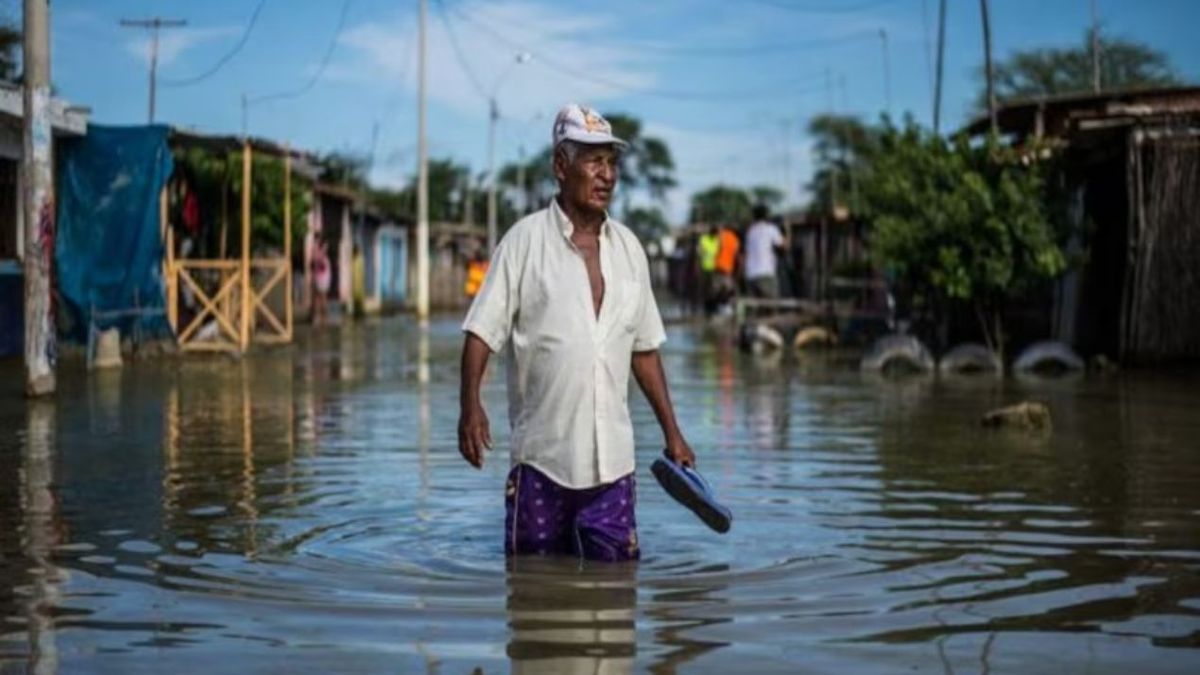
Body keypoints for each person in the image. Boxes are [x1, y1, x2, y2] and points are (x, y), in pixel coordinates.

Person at [458, 103, 696, 562]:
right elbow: (480, 333)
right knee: (532, 593)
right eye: (593, 161)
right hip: (542, 463)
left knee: (616, 597)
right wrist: (470, 406)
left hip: (614, 466)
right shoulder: (523, 243)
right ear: (561, 167)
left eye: (611, 162)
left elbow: (644, 351)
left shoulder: (629, 250)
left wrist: (674, 433)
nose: (606, 174)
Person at [743, 205, 785, 299]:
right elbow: (783, 246)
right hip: (766, 273)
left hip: (751, 275)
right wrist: (788, 229)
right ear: (766, 215)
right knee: (770, 307)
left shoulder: (750, 232)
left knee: (755, 309)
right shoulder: (771, 229)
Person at [697, 225, 721, 315]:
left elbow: (719, 253)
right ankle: (707, 308)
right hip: (705, 267)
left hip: (714, 268)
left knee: (713, 289)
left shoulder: (717, 240)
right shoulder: (704, 239)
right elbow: (699, 253)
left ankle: (713, 307)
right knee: (706, 289)